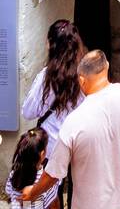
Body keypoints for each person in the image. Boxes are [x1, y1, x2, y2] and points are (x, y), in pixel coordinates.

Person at [21, 50, 120, 209]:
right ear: (107, 67)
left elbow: (54, 174)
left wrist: (32, 192)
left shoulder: (74, 122)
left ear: (81, 80)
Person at [21, 18, 86, 160]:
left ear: (51, 44)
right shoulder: (85, 76)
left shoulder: (46, 77)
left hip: (50, 149)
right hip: (77, 147)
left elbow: (28, 112)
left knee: (49, 181)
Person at [6, 128, 60, 209]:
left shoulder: (13, 175)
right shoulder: (46, 179)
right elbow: (54, 206)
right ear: (42, 154)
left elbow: (10, 194)